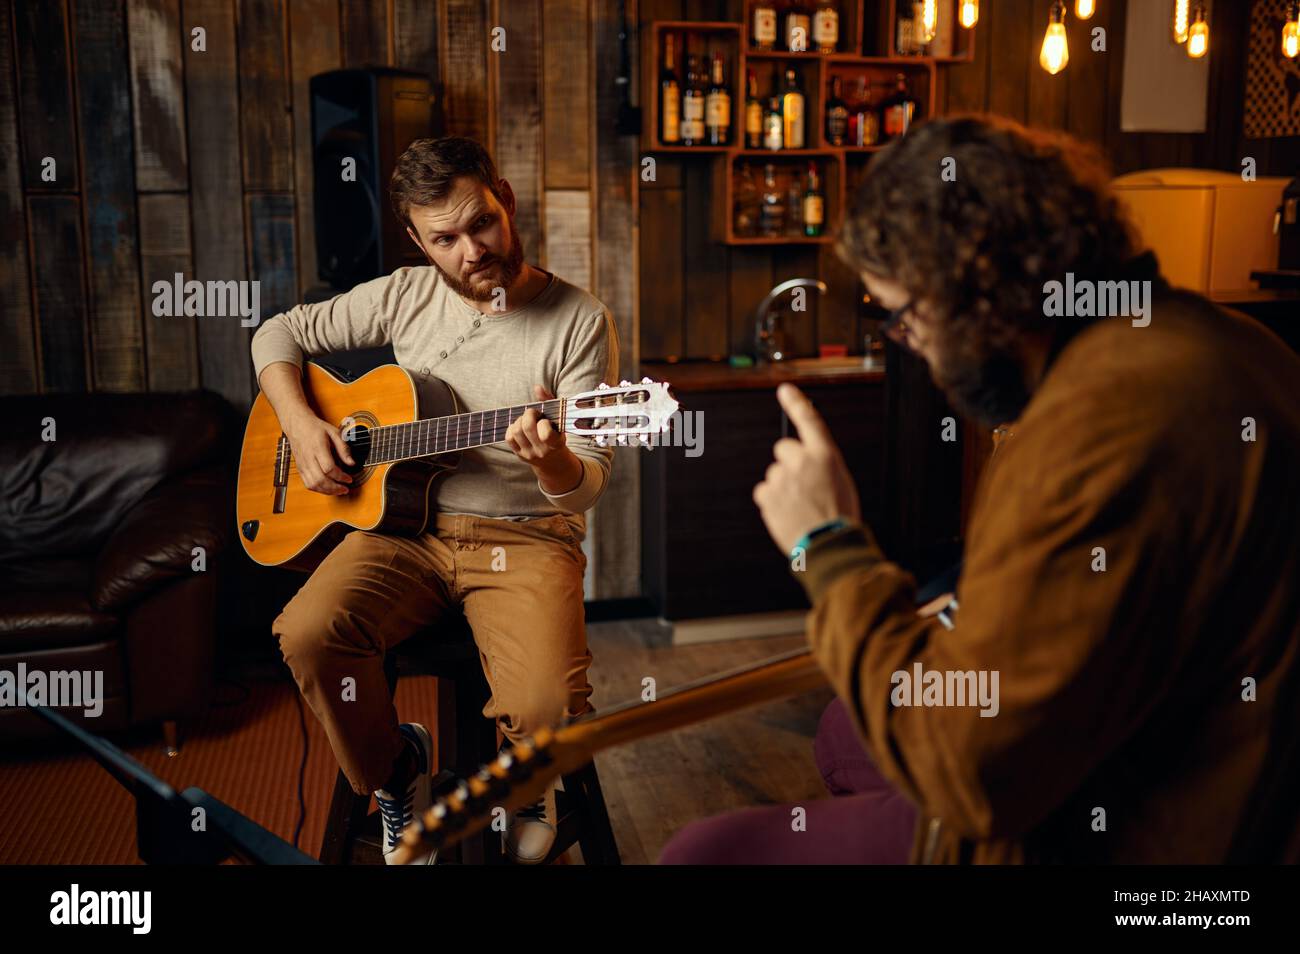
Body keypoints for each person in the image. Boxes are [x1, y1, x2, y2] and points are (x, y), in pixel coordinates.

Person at [664, 115, 1300, 864]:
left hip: (1142, 841)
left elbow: (973, 775)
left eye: (903, 318)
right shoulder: (1239, 343)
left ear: (973, 291)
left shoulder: (1094, 422)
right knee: (843, 728)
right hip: (1178, 758)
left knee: (706, 853)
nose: (917, 351)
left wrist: (827, 545)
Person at [251, 136, 619, 864]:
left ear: (504, 200)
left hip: (527, 535)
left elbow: (592, 480)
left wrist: (552, 462)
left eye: (480, 223)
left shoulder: (579, 320)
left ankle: (529, 779)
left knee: (544, 701)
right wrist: (301, 421)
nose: (471, 251)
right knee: (307, 633)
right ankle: (397, 774)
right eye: (444, 239)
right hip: (404, 532)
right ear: (419, 242)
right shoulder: (404, 294)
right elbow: (278, 332)